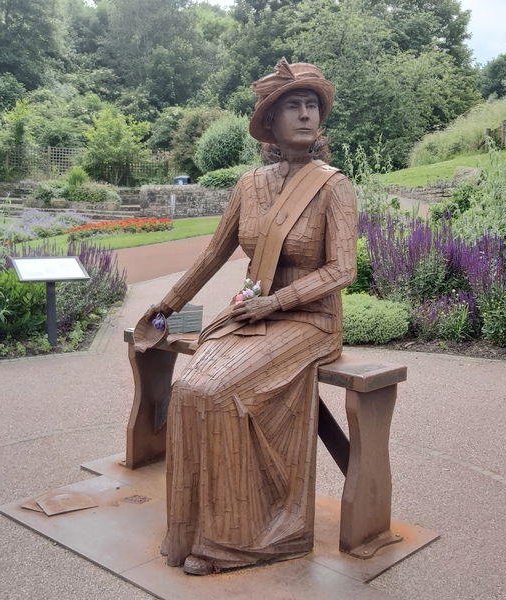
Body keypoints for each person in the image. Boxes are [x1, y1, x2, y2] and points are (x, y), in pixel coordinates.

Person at [135, 58, 358, 575]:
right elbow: (213, 255)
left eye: (312, 107)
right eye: (292, 107)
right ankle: (192, 530)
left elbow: (342, 269)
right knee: (191, 388)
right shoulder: (249, 185)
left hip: (310, 323)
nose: (305, 116)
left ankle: (252, 537)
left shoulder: (335, 187)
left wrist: (276, 302)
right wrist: (164, 308)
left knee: (217, 391)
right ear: (271, 124)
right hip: (252, 316)